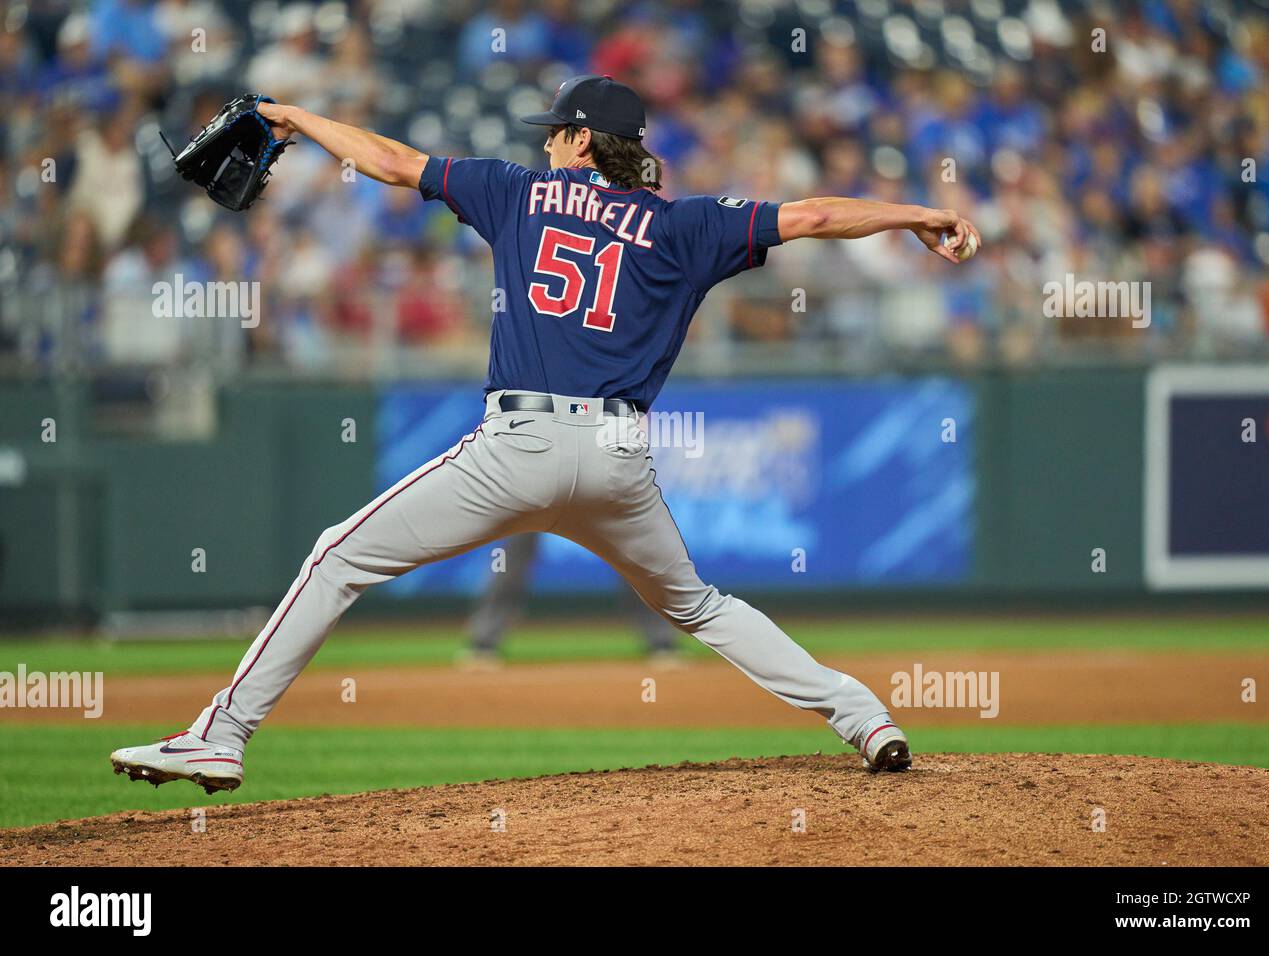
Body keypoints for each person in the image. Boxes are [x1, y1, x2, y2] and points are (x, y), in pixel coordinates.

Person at [110, 75, 980, 793]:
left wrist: (296, 115)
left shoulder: (515, 191)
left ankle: (221, 737)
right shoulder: (687, 224)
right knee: (699, 606)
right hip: (617, 461)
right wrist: (915, 216)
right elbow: (816, 218)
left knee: (339, 557)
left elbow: (390, 161)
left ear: (578, 141)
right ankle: (863, 716)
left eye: (557, 130)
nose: (547, 142)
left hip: (515, 449)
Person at [462, 533, 679, 667]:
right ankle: (484, 643)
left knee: (633, 542)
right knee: (516, 545)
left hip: (594, 472)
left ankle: (661, 642)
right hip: (544, 472)